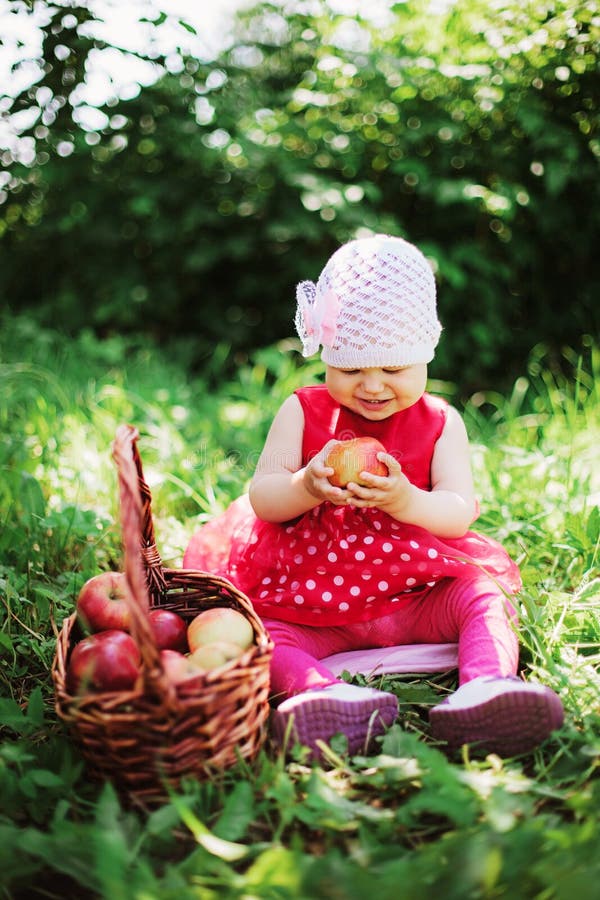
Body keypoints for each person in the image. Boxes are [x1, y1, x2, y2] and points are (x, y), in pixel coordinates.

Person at [184, 234, 564, 758]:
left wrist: (406, 501)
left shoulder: (440, 422)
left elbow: (457, 512)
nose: (372, 386)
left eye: (393, 369)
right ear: (327, 359)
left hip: (415, 593)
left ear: (424, 357)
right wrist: (306, 486)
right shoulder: (303, 411)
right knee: (263, 634)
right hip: (316, 600)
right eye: (350, 369)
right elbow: (264, 498)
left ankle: (486, 687)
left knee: (482, 595)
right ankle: (325, 697)